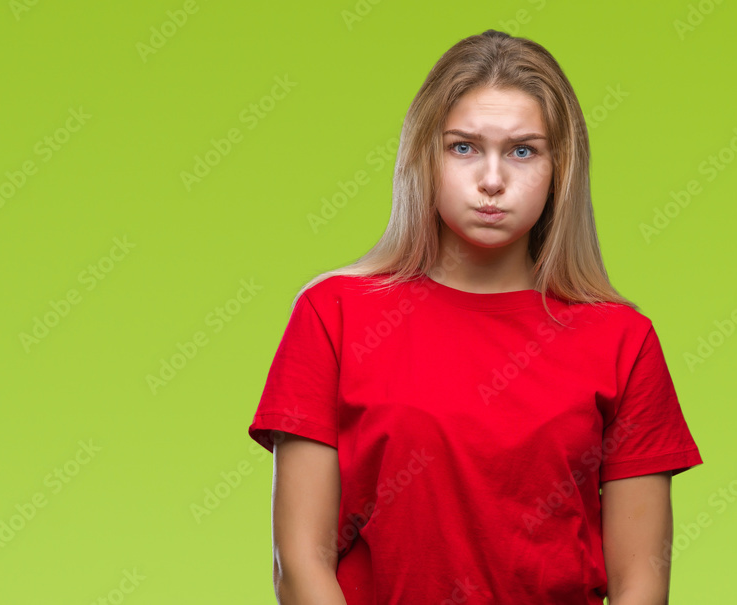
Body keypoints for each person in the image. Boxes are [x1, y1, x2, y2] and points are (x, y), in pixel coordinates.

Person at [247, 29, 703, 605]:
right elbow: (300, 562)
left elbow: (641, 583)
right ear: (424, 156)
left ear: (560, 169)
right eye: (463, 147)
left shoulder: (621, 340)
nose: (492, 180)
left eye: (522, 150)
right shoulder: (333, 315)